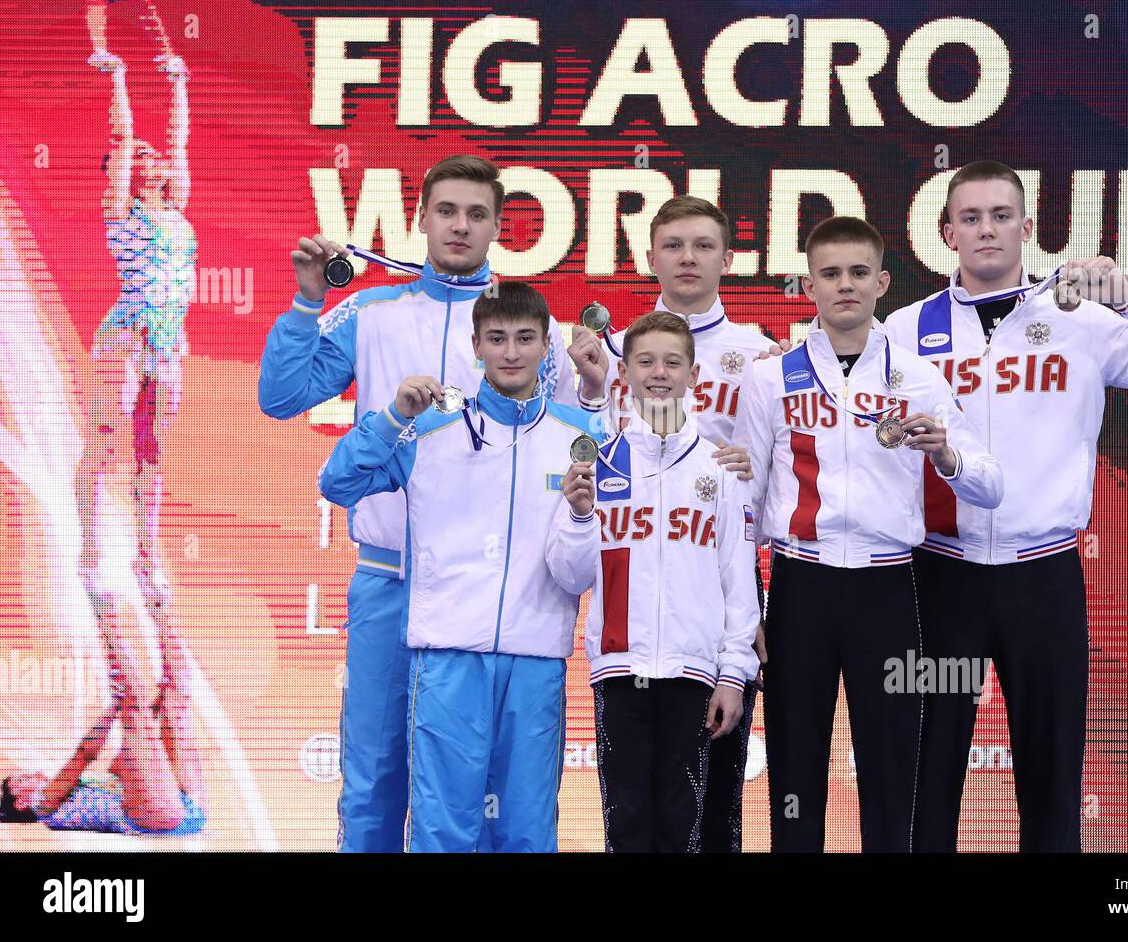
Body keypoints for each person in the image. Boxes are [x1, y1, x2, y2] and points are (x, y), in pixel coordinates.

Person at [883, 161, 1128, 852]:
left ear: (1028, 228)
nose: (986, 230)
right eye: (970, 218)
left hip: (1043, 580)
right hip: (939, 580)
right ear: (946, 233)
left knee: (1051, 773)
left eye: (1001, 215)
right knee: (927, 769)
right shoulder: (906, 329)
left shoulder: (1083, 322)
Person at [259, 155, 576, 852]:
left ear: (499, 227)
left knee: (486, 793)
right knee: (373, 777)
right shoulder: (373, 312)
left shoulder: (525, 330)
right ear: (422, 219)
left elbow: (577, 437)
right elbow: (281, 397)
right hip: (388, 582)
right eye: (446, 211)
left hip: (480, 594)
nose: (460, 226)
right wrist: (308, 301)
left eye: (477, 214)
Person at [734, 216, 1003, 852]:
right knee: (795, 772)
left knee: (891, 770)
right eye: (830, 274)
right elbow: (741, 506)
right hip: (801, 587)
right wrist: (743, 608)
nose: (845, 286)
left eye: (858, 273)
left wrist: (946, 457)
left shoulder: (918, 377)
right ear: (807, 285)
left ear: (882, 281)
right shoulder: (768, 377)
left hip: (888, 591)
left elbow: (990, 486)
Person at [317, 282, 604, 853]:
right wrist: (392, 415)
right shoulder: (429, 429)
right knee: (442, 832)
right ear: (476, 345)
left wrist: (580, 515)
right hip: (446, 660)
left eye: (526, 338)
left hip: (536, 662)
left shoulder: (582, 436)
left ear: (547, 346)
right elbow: (338, 482)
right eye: (497, 339)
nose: (511, 352)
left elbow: (587, 568)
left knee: (526, 833)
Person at [568, 195, 771, 852]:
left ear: (728, 259)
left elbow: (786, 473)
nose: (688, 258)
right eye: (674, 245)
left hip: (716, 583)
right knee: (631, 808)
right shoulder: (612, 351)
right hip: (632, 607)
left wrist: (744, 634)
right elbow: (586, 459)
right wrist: (596, 393)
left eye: (703, 245)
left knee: (711, 799)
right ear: (649, 256)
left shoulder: (761, 355)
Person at [76, 40, 192, 632]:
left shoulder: (178, 208)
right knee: (104, 446)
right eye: (139, 153)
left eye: (154, 153)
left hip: (169, 344)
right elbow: (123, 140)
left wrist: (178, 84)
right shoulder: (123, 212)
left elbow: (179, 141)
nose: (152, 154)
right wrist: (119, 75)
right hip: (127, 336)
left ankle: (146, 558)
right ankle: (91, 555)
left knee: (151, 454)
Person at [0, 608, 205, 837]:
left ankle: (155, 620)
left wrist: (155, 703)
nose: (31, 773)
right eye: (20, 780)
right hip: (158, 816)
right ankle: (115, 619)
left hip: (184, 811)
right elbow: (84, 754)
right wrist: (114, 709)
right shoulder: (44, 806)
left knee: (167, 704)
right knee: (140, 713)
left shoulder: (89, 788)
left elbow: (132, 762)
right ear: (21, 803)